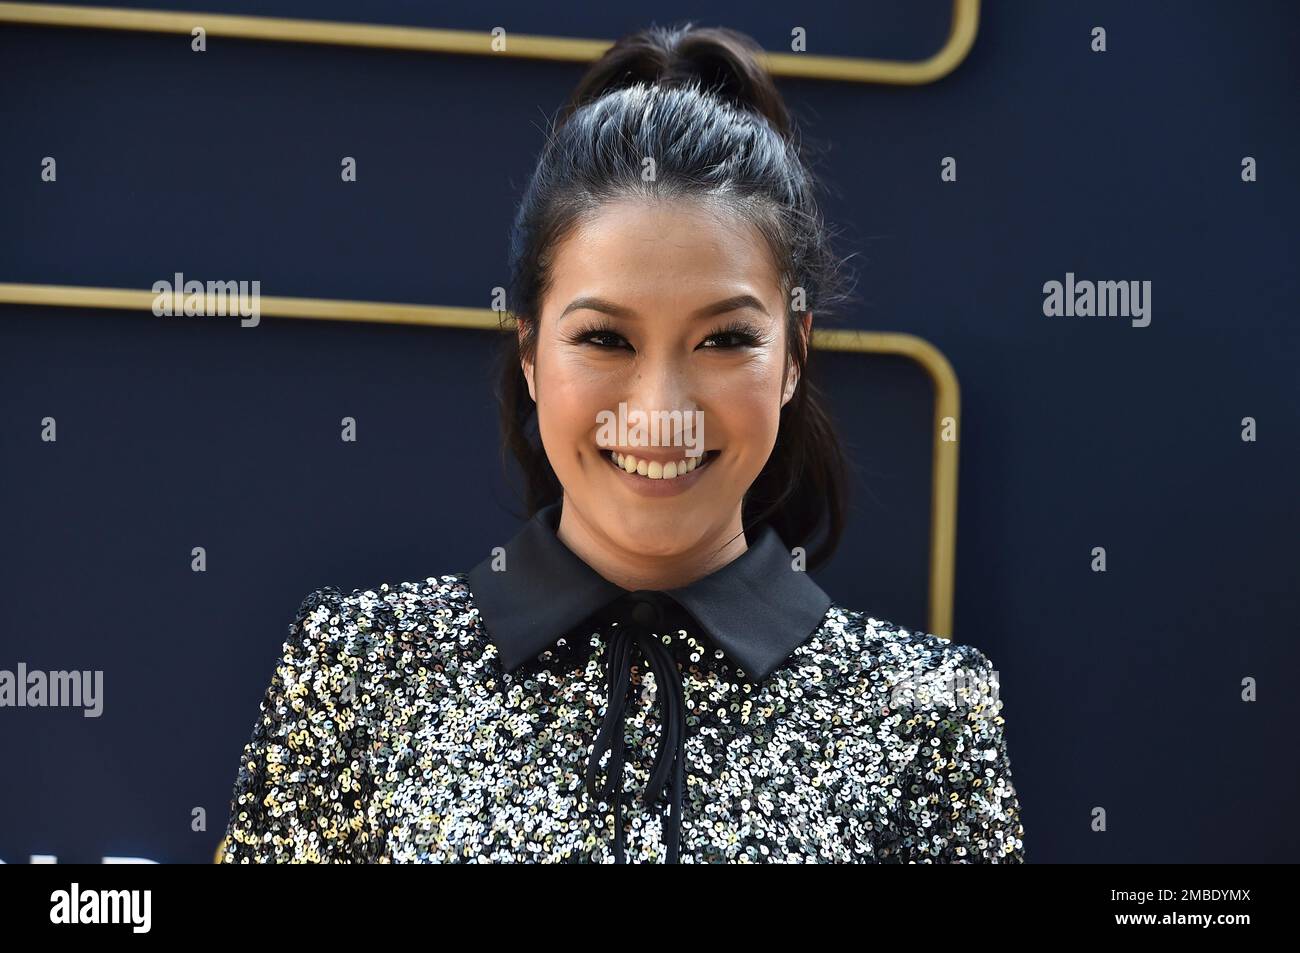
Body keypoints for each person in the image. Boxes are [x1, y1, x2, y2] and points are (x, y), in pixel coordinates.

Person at [217, 22, 1025, 864]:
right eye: (605, 339)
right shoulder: (360, 673)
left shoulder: (927, 712)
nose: (659, 408)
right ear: (530, 349)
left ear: (794, 354)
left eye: (724, 340)